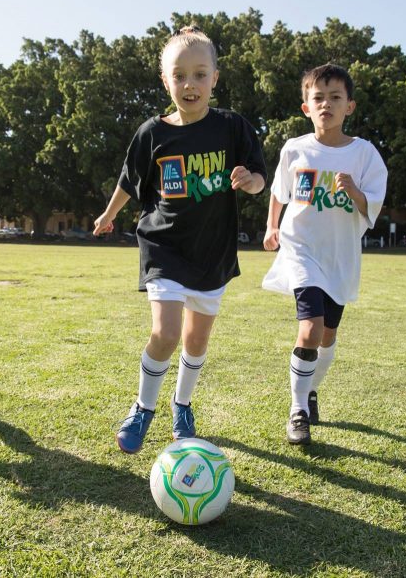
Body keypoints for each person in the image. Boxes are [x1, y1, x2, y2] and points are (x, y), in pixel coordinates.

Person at [93, 26, 267, 454]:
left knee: (196, 341)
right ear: (165, 81)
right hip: (164, 247)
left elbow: (261, 178)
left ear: (215, 78)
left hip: (212, 252)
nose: (190, 84)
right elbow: (129, 183)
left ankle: (182, 406)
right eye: (180, 75)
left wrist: (249, 182)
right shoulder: (152, 132)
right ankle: (142, 407)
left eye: (200, 74)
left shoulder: (232, 127)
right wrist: (108, 215)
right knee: (166, 331)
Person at [261, 64, 387, 445]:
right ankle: (298, 409)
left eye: (335, 97)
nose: (326, 104)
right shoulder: (295, 149)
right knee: (310, 328)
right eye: (318, 98)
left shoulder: (364, 155)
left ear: (350, 106)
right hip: (301, 248)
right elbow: (279, 192)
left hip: (340, 258)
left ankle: (310, 389)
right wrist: (271, 226)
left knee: (328, 336)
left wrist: (355, 192)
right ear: (306, 107)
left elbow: (373, 207)